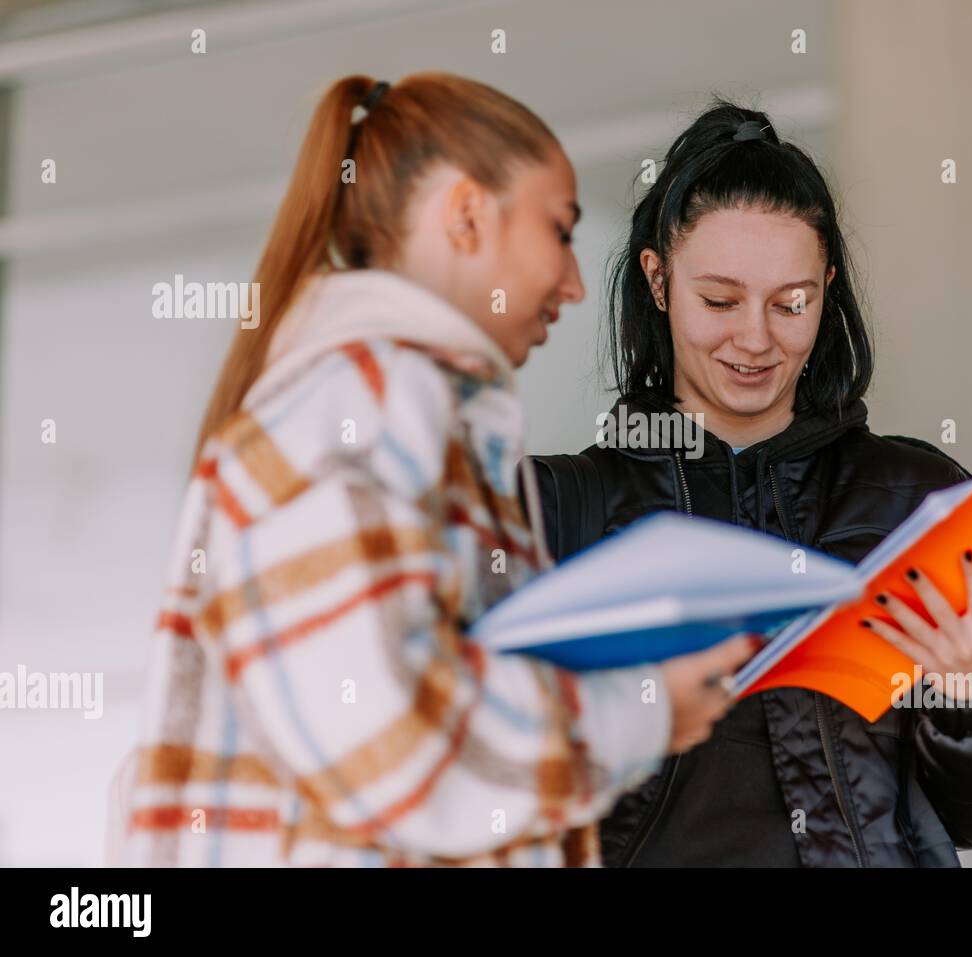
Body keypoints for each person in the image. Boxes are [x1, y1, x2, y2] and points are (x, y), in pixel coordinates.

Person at [123, 74, 755, 867]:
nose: (575, 282)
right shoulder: (362, 402)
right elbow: (393, 741)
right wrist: (644, 711)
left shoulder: (405, 411)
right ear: (465, 215)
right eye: (559, 231)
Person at [529, 101, 972, 867]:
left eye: (792, 303)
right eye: (719, 300)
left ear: (826, 285)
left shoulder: (913, 500)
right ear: (657, 279)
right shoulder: (557, 512)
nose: (755, 338)